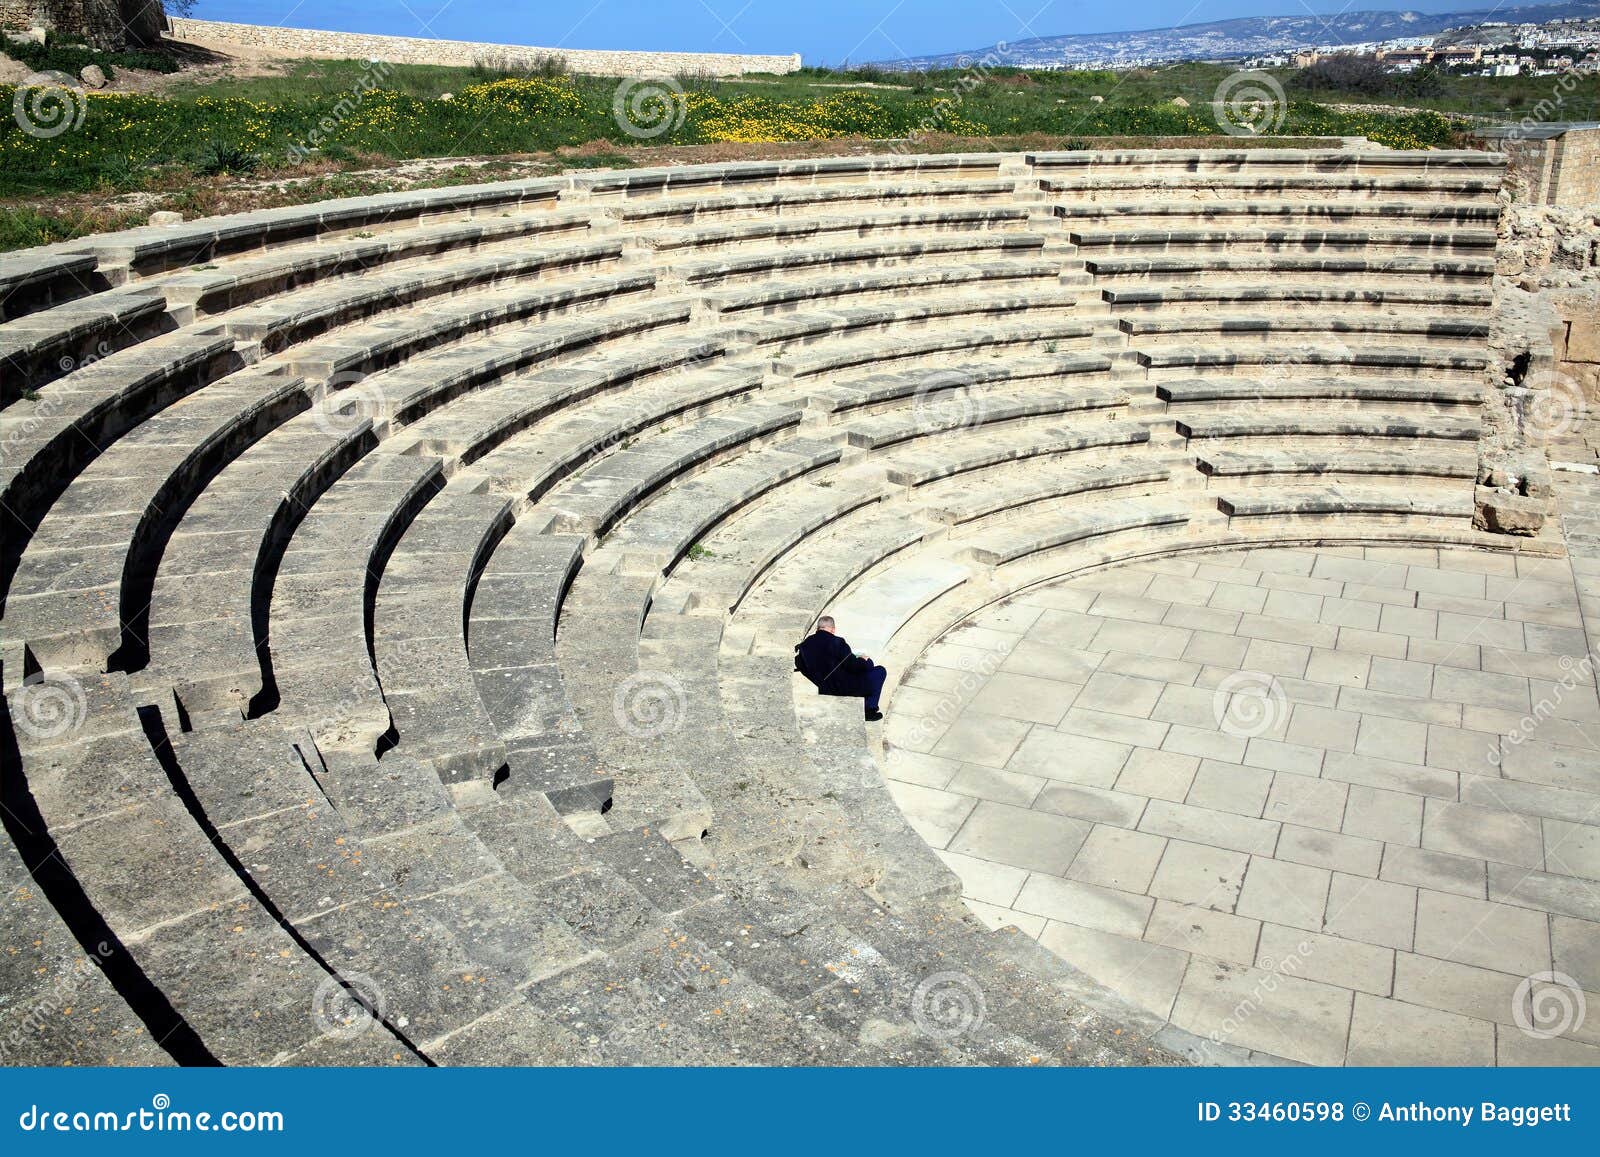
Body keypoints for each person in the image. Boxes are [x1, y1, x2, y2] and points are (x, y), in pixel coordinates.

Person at [794, 615, 888, 721]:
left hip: (824, 688)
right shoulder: (838, 642)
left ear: (818, 628)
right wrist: (863, 660)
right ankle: (869, 710)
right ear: (833, 629)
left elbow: (801, 665)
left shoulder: (805, 644)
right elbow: (853, 666)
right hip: (843, 688)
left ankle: (866, 704)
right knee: (879, 670)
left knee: (867, 667)